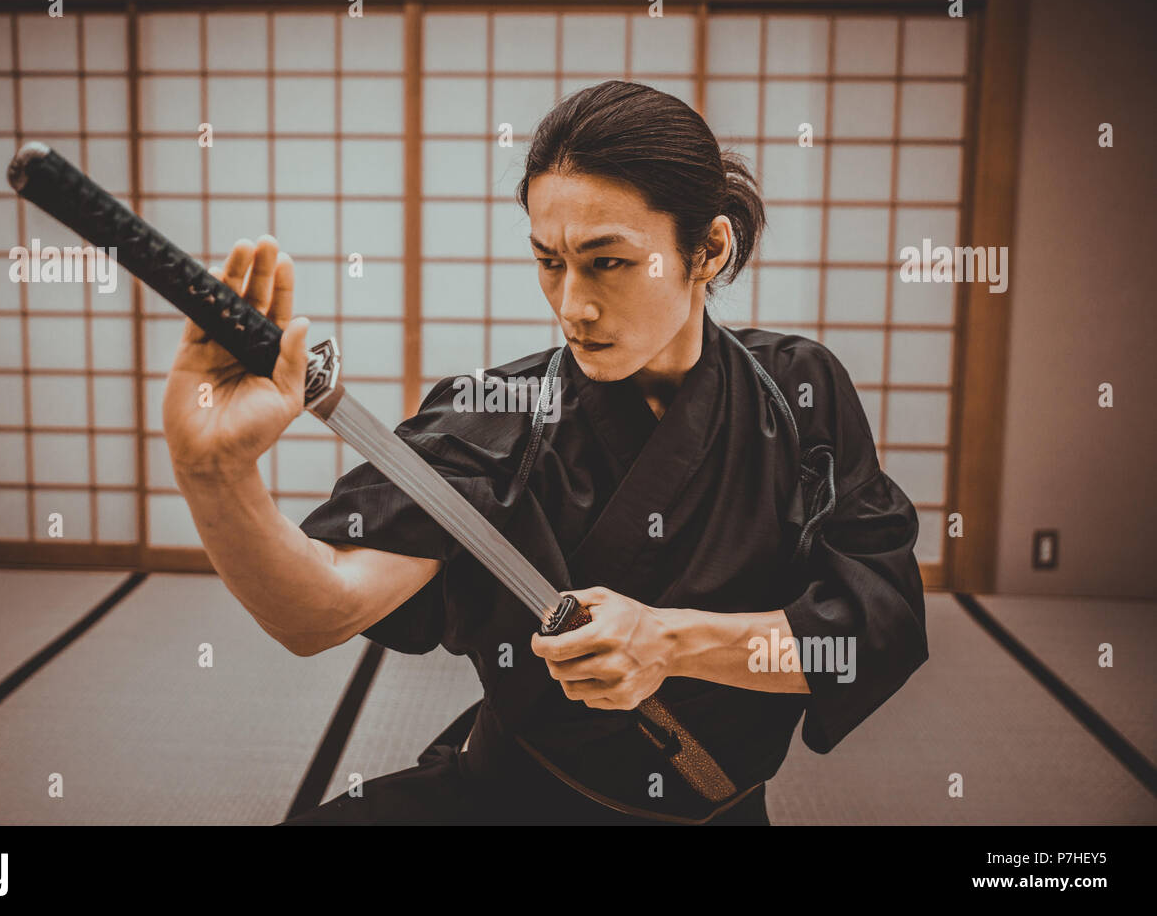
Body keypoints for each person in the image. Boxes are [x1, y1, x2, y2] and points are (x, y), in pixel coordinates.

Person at [163, 80, 927, 825]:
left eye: (608, 261)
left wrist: (670, 642)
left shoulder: (798, 393)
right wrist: (216, 476)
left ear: (708, 250)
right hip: (507, 797)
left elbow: (869, 633)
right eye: (549, 261)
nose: (572, 306)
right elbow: (319, 609)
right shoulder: (501, 418)